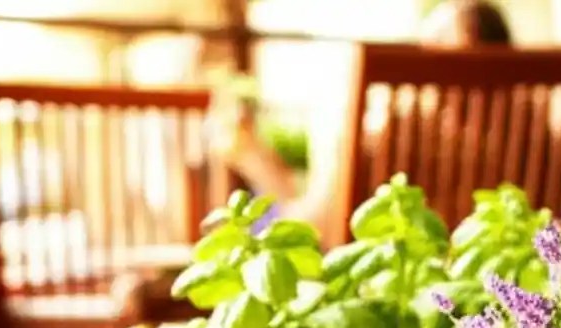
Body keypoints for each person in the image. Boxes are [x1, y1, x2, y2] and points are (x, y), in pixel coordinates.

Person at [210, 1, 514, 243]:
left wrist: (252, 158)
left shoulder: (403, 132)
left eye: (429, 45)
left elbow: (316, 227)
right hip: (489, 278)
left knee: (259, 226)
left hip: (391, 287)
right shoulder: (529, 137)